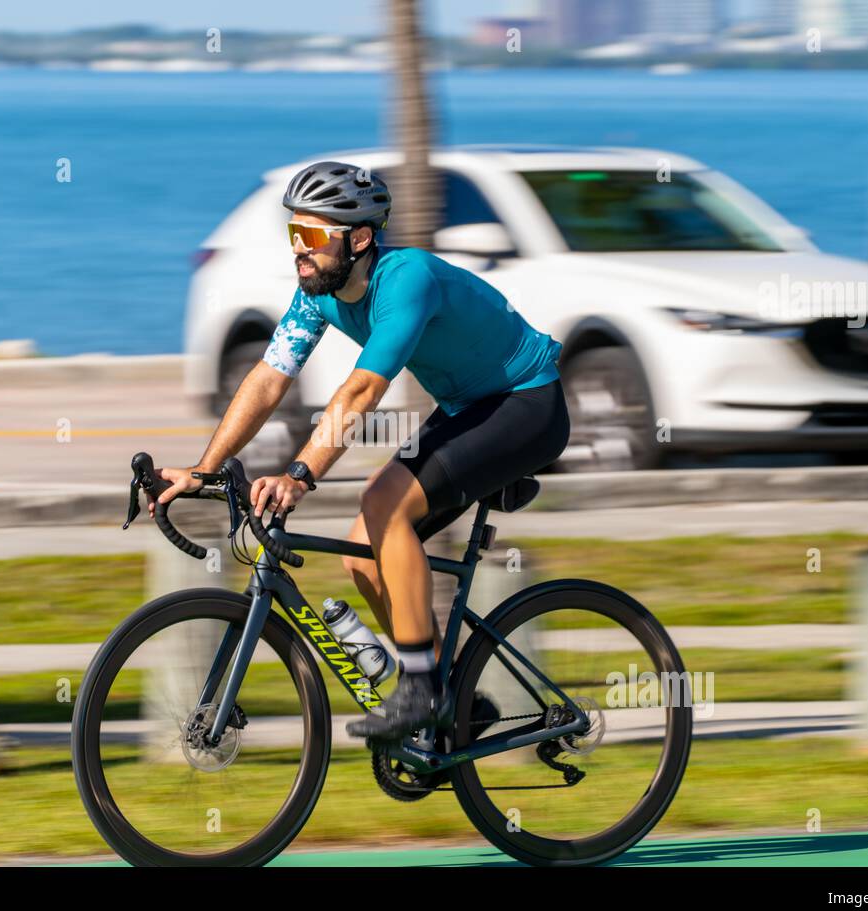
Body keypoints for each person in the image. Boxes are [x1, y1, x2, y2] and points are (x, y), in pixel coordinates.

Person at [151, 160, 570, 740]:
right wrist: (204, 469)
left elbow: (364, 389)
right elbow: (270, 378)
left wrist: (300, 475)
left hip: (525, 406)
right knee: (359, 552)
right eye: (293, 236)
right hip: (466, 412)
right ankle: (452, 701)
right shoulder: (316, 294)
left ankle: (421, 688)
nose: (300, 251)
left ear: (360, 239)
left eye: (313, 238)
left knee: (383, 506)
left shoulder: (407, 280)